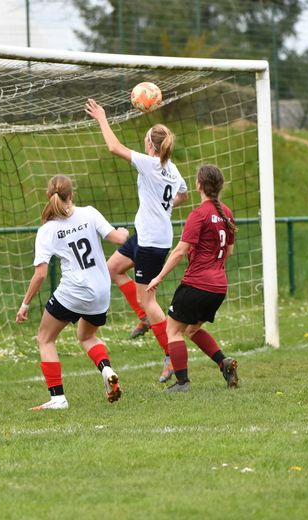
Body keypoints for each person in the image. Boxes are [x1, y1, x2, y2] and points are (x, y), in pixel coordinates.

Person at [85, 98, 189, 383]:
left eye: (145, 139)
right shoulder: (172, 168)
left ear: (151, 145)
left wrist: (102, 118)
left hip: (152, 241)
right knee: (113, 269)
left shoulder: (150, 163)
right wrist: (163, 207)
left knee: (149, 298)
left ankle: (171, 353)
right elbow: (183, 195)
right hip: (145, 234)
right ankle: (144, 317)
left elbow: (113, 147)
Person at [16, 175, 130, 410]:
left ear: (49, 197)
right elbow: (119, 239)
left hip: (74, 291)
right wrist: (124, 231)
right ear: (72, 195)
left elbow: (40, 274)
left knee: (45, 339)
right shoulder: (89, 212)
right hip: (100, 290)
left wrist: (25, 304)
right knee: (87, 336)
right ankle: (107, 370)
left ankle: (58, 398)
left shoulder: (48, 230)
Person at [146, 164, 240, 392]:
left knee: (174, 331)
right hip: (219, 286)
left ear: (199, 185)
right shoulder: (226, 213)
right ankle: (224, 363)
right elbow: (228, 251)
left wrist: (158, 277)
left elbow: (179, 251)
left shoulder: (199, 215)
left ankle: (182, 382)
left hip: (198, 283)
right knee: (192, 330)